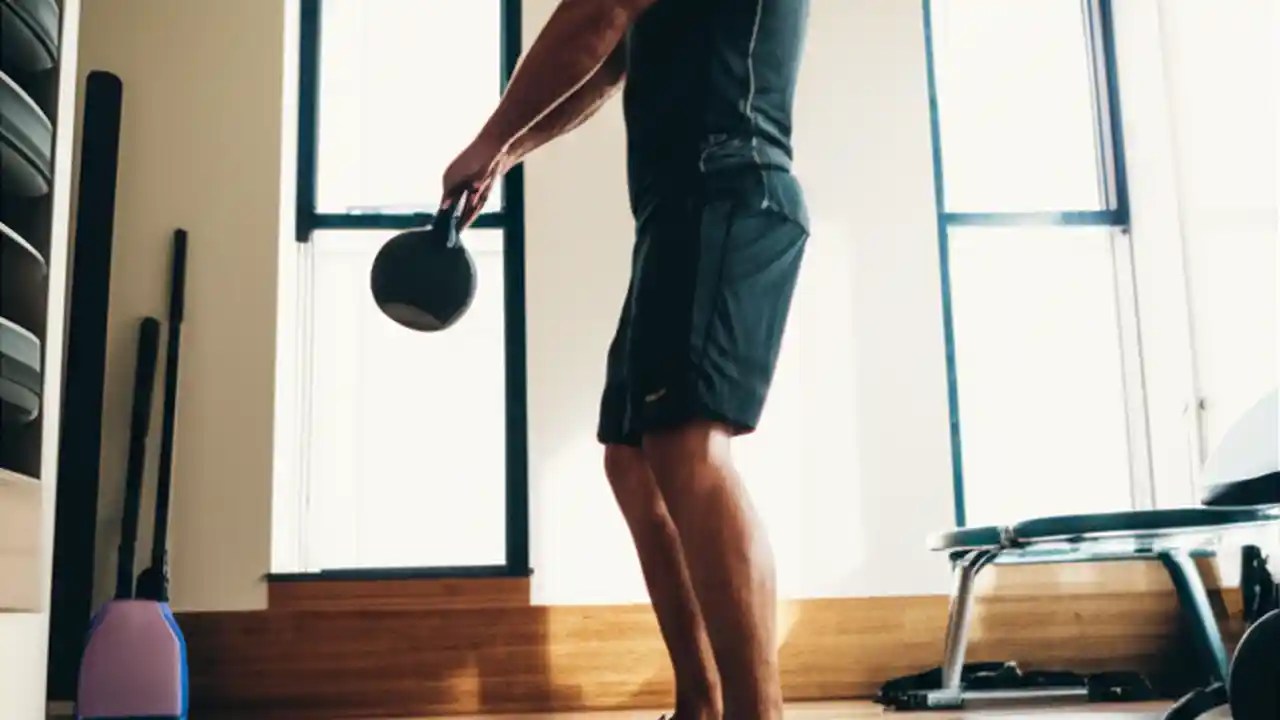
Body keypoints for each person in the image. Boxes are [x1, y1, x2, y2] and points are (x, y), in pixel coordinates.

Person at [442, 1, 810, 718]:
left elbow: (599, 13)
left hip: (727, 186)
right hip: (681, 210)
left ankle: (755, 711)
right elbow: (611, 61)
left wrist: (486, 140)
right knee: (632, 458)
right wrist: (508, 151)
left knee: (685, 446)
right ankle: (699, 703)